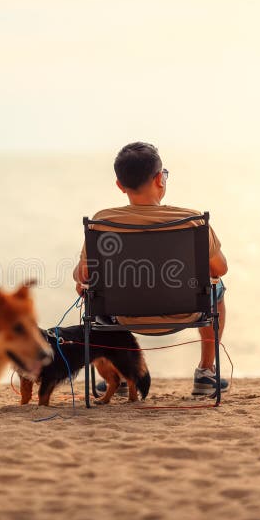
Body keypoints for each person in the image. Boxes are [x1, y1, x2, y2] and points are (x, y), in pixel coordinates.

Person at [72, 141, 229, 396]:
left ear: (120, 185)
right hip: (187, 311)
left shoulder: (102, 222)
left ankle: (121, 376)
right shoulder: (193, 221)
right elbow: (220, 268)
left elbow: (85, 275)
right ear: (159, 179)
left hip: (123, 316)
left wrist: (78, 277)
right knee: (217, 288)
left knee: (90, 293)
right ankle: (206, 373)